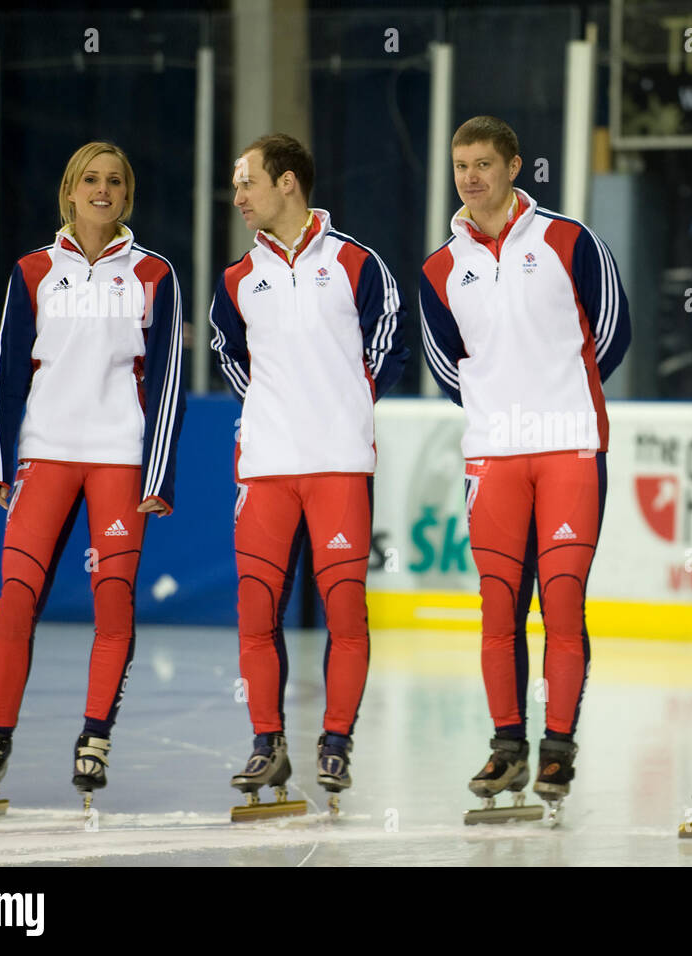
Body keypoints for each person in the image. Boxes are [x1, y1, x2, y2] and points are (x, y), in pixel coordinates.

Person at [0, 141, 185, 812]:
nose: (102, 189)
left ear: (127, 195)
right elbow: (7, 373)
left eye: (114, 180)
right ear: (70, 190)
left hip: (118, 458)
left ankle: (95, 738)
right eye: (91, 179)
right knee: (16, 596)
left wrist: (158, 473)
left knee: (112, 601)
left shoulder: (154, 273)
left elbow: (167, 380)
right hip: (44, 454)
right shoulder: (33, 271)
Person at [420, 116, 631, 818]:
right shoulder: (439, 269)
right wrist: (501, 410)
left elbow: (613, 329)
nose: (471, 177)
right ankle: (508, 744)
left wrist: (554, 395)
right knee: (498, 607)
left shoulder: (569, 241)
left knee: (563, 601)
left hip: (570, 445)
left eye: (484, 163)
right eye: (460, 166)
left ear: (514, 167)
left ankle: (559, 748)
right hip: (495, 456)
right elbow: (449, 364)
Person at [209, 133, 407, 811]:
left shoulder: (358, 263)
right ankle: (267, 745)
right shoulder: (237, 278)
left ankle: (336, 742)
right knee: (255, 613)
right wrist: (276, 409)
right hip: (265, 468)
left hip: (340, 467)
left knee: (345, 611)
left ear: (287, 183)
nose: (238, 196)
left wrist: (342, 409)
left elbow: (388, 347)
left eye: (248, 183)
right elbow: (229, 355)